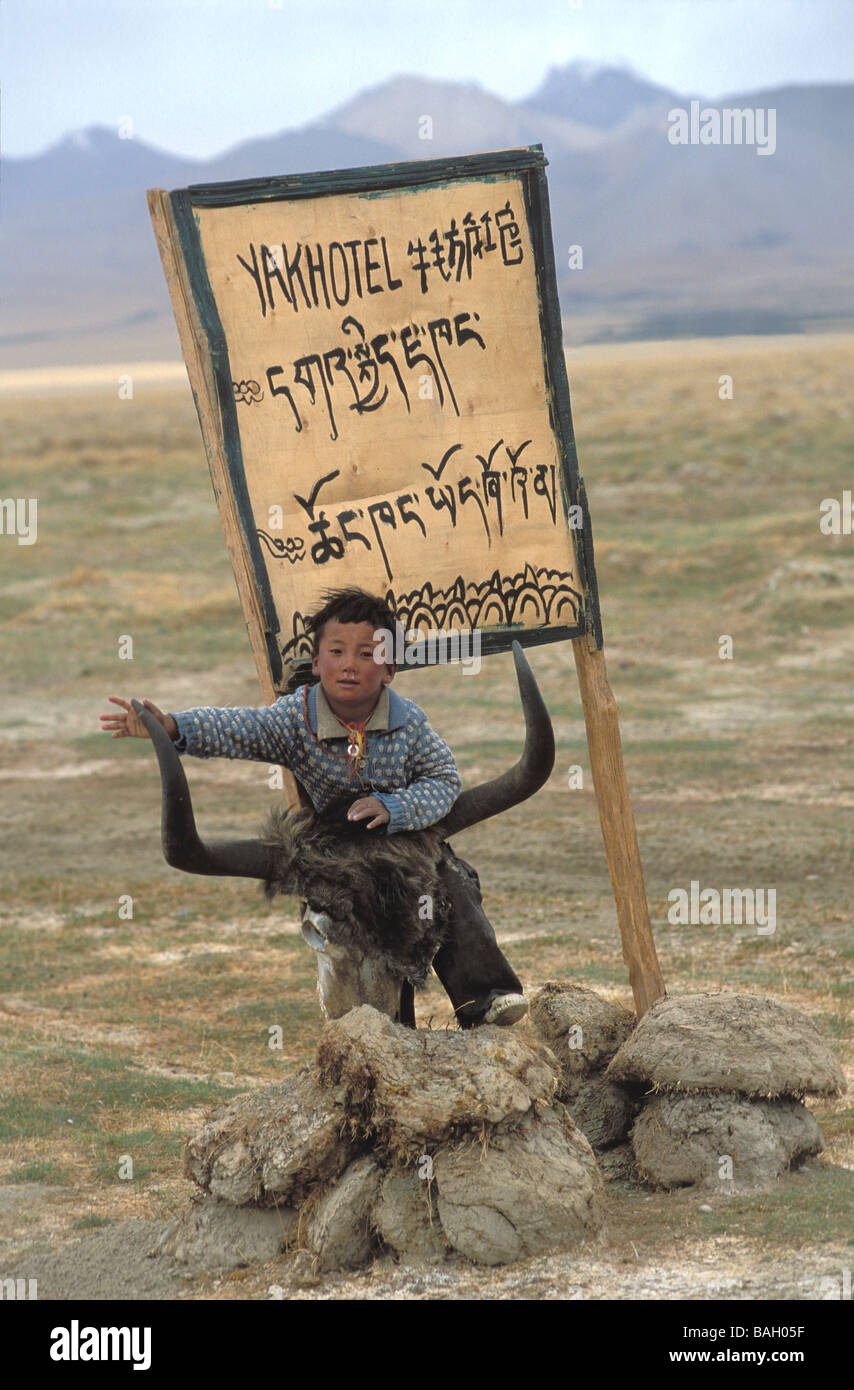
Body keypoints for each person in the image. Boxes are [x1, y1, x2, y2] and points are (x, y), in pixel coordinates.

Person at [100, 586, 527, 1027]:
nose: (349, 664)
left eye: (367, 654)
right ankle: (386, 1028)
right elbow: (236, 727)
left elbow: (443, 780)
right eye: (337, 651)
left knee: (452, 885)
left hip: (408, 843)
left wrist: (395, 808)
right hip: (333, 853)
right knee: (352, 922)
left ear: (390, 668)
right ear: (316, 661)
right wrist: (171, 727)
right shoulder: (293, 719)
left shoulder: (411, 722)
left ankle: (487, 998)